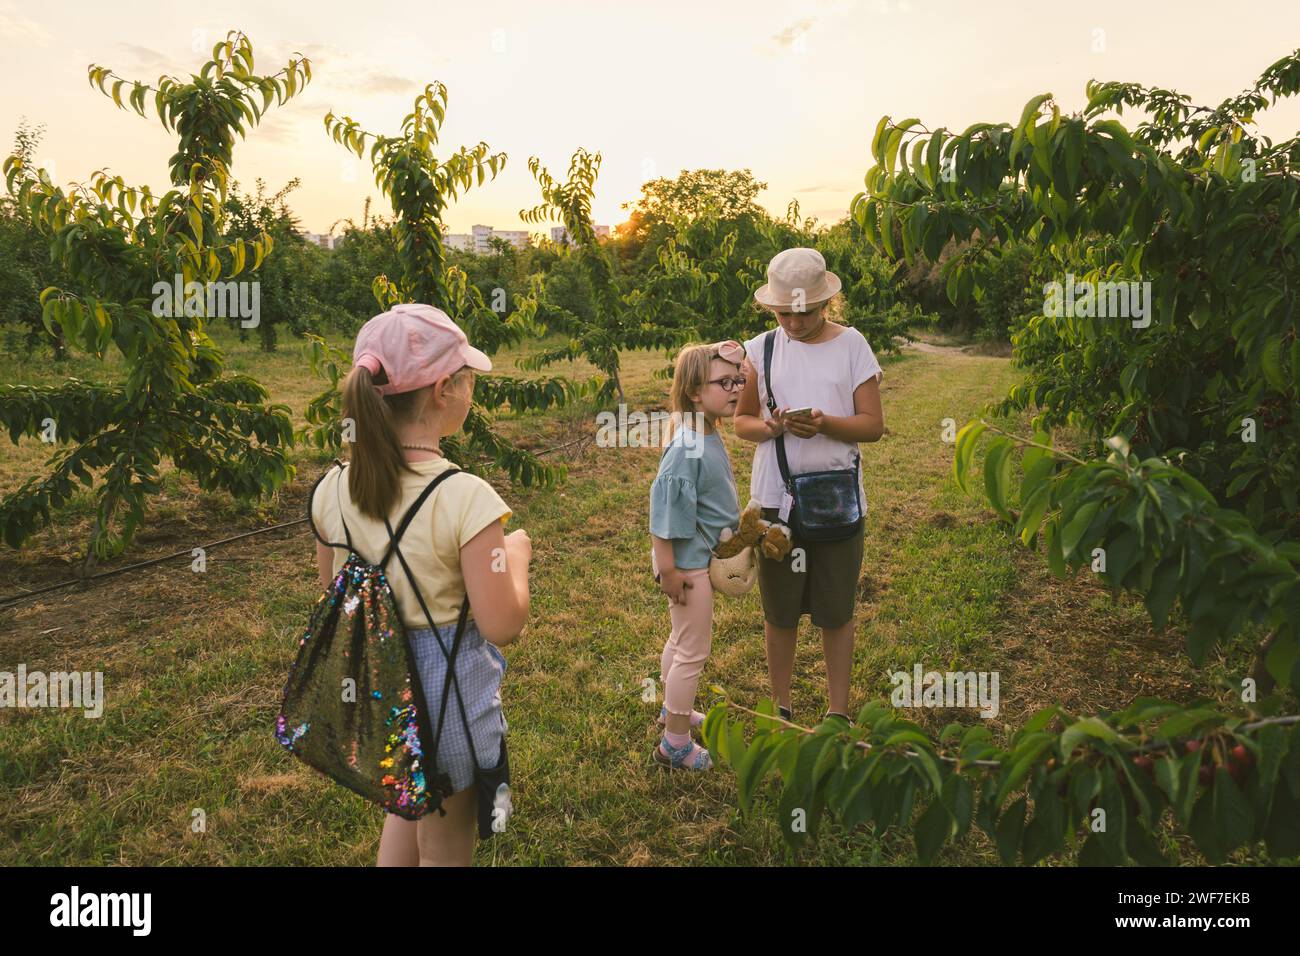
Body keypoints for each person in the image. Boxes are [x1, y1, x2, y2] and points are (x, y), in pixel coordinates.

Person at [309, 303, 531, 865]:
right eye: (466, 380)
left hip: (379, 692)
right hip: (444, 703)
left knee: (404, 803)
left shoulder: (332, 488)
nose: (470, 390)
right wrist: (517, 557)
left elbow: (339, 593)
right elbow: (502, 624)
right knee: (444, 847)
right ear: (442, 391)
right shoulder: (466, 498)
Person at [732, 248, 885, 726]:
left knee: (835, 612)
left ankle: (837, 711)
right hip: (775, 503)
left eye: (804, 314)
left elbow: (872, 425)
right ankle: (782, 707)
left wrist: (825, 424)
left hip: (835, 501)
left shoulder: (853, 345)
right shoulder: (761, 349)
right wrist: (774, 428)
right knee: (779, 613)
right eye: (783, 315)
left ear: (825, 304)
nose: (793, 325)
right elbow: (741, 422)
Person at [647, 340, 746, 770]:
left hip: (695, 559)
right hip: (686, 566)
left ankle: (673, 712)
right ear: (693, 391)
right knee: (693, 651)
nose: (735, 388)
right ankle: (676, 743)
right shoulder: (687, 446)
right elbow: (663, 513)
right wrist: (668, 570)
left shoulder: (707, 431)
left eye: (738, 379)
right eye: (723, 382)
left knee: (680, 641)